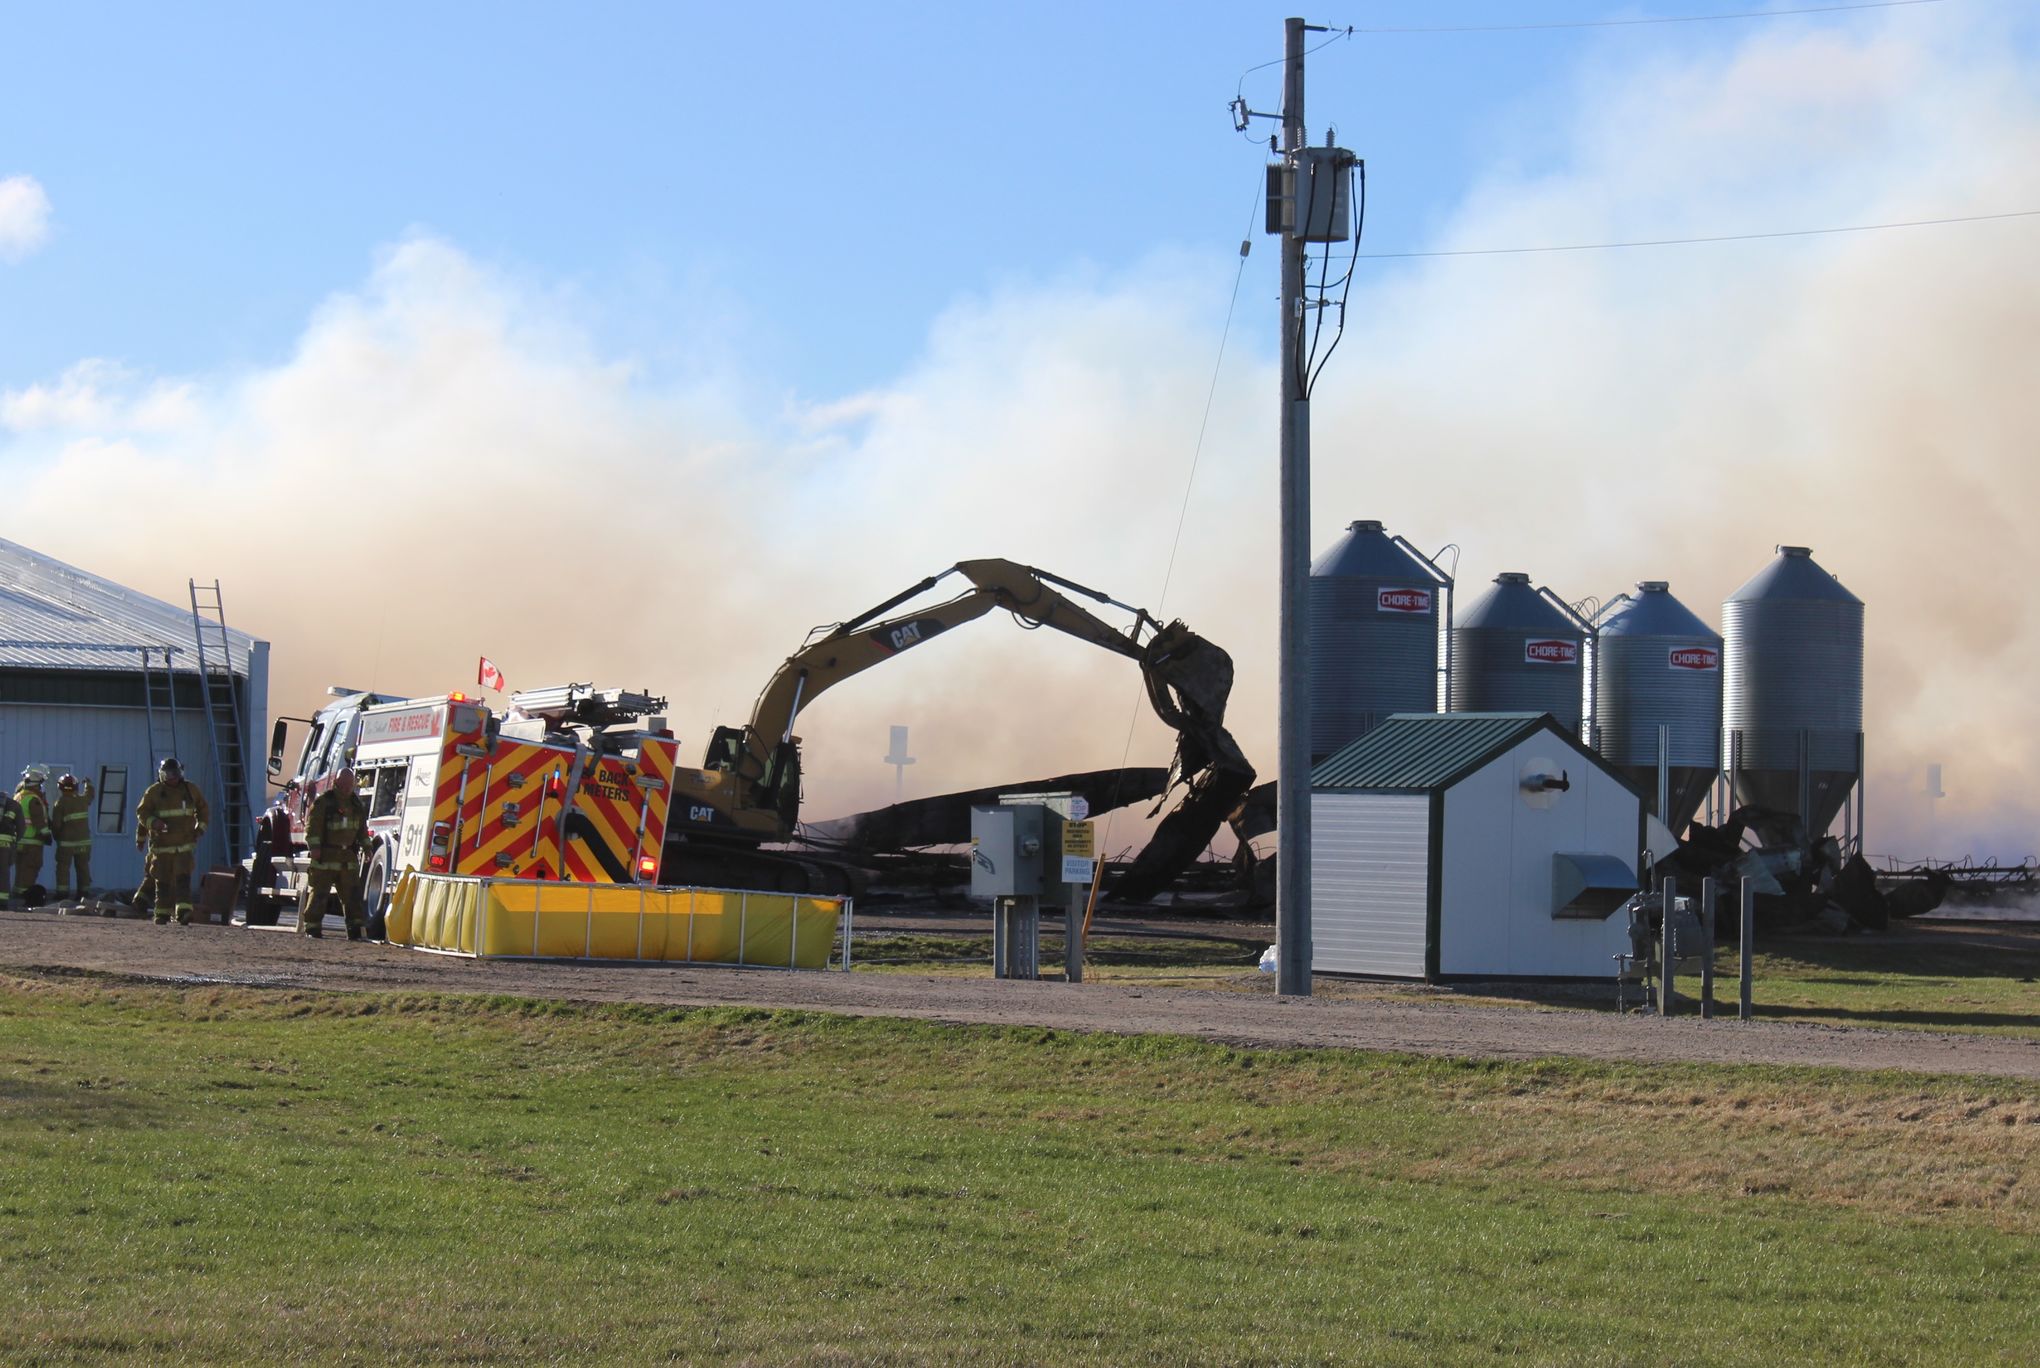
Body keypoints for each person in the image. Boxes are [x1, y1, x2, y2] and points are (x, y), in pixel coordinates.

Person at [136, 757, 209, 926]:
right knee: (162, 882)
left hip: (184, 847)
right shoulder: (154, 792)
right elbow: (142, 813)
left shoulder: (190, 790)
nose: (173, 778)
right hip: (162, 848)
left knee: (183, 880)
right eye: (169, 774)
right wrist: (153, 823)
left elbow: (203, 809)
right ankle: (161, 914)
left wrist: (200, 829)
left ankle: (184, 912)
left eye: (176, 773)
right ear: (162, 775)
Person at [299, 767, 370, 940]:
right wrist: (314, 847)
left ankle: (355, 930)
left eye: (349, 785)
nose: (346, 788)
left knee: (352, 896)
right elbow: (313, 827)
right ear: (336, 782)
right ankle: (312, 928)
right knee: (319, 894)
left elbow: (362, 830)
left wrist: (367, 847)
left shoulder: (356, 805)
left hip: (348, 858)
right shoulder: (324, 802)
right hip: (326, 856)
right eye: (343, 784)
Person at [51, 773, 95, 905]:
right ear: (75, 787)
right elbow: (90, 795)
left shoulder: (60, 803)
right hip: (84, 843)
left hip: (66, 843)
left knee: (63, 868)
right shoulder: (82, 800)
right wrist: (88, 785)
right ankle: (83, 893)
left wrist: (56, 837)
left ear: (60, 787)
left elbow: (56, 825)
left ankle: (62, 894)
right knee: (83, 868)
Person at [12, 768, 51, 906]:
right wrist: (46, 835)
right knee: (31, 868)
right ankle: (26, 896)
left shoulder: (18, 796)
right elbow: (38, 820)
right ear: (36, 784)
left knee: (20, 869)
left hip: (19, 841)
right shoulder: (33, 799)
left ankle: (18, 893)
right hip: (32, 842)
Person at [0, 789, 22, 908]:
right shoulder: (14, 805)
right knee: (3, 872)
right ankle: (2, 902)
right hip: (6, 845)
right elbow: (21, 827)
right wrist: (15, 841)